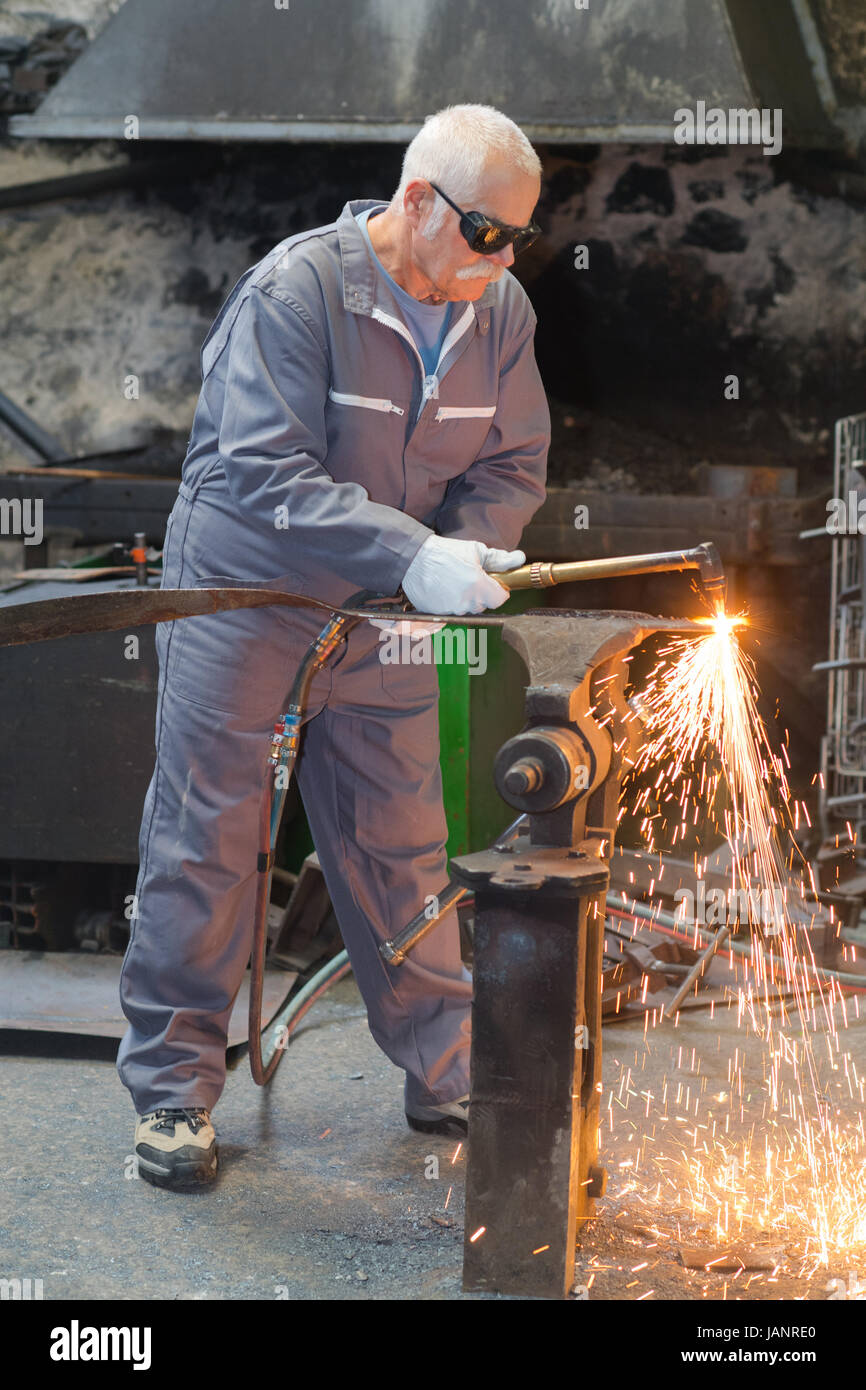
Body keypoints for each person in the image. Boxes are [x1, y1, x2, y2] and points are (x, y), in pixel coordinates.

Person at [117, 103, 551, 1189]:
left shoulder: (497, 311)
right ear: (418, 201)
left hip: (384, 611)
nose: (501, 260)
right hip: (247, 593)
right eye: (486, 234)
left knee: (399, 833)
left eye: (519, 239)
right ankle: (174, 1091)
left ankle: (448, 1071)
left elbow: (511, 461)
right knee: (210, 832)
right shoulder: (297, 291)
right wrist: (412, 551)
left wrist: (467, 548)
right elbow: (265, 472)